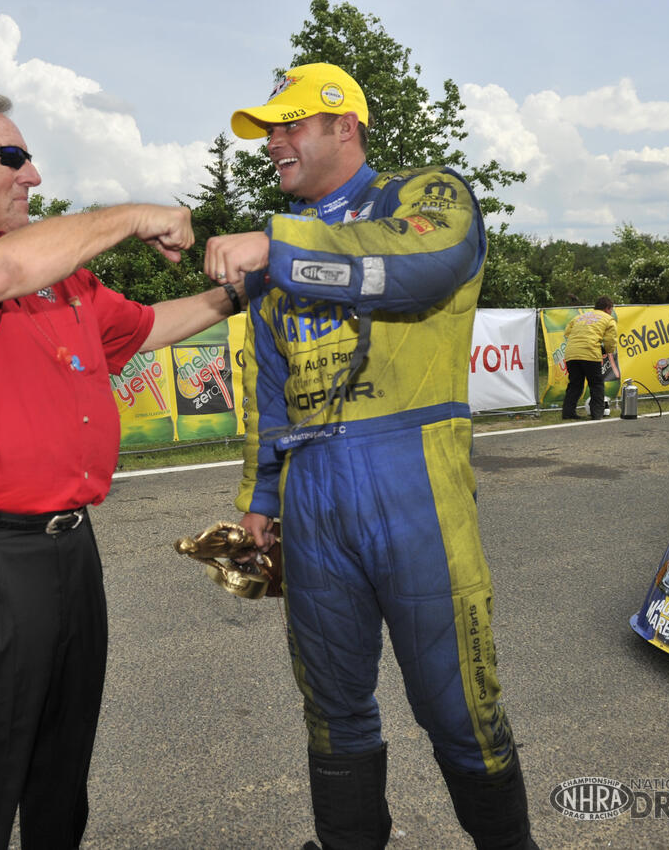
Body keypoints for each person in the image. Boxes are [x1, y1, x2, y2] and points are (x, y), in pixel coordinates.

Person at [0, 92, 247, 849]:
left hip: (67, 548)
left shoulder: (58, 278)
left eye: (28, 158)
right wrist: (133, 214)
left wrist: (240, 291)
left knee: (60, 781)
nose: (31, 174)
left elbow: (145, 326)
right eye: (9, 157)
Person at [204, 64, 535, 849]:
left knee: (458, 706)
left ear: (343, 126)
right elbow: (272, 393)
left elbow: (421, 263)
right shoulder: (278, 251)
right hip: (314, 492)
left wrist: (279, 246)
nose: (273, 143)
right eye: (267, 130)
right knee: (333, 705)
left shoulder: (424, 194)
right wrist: (262, 500)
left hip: (413, 477)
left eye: (289, 125)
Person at [561, 296, 618, 420]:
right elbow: (610, 341)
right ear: (608, 308)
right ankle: (597, 414)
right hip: (590, 353)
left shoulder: (579, 317)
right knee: (596, 384)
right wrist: (607, 351)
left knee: (575, 384)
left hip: (571, 353)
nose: (611, 312)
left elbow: (567, 332)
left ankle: (568, 413)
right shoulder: (608, 319)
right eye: (611, 309)